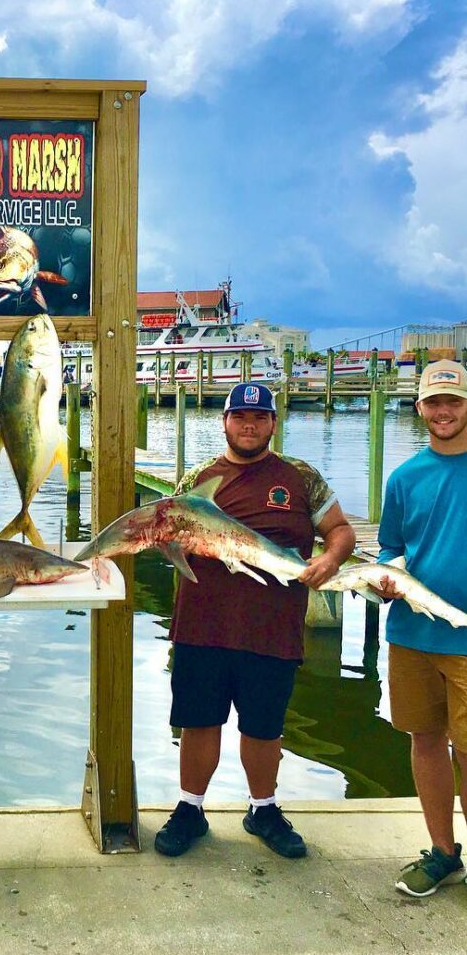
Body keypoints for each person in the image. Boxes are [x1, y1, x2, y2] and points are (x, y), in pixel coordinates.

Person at [152, 381, 355, 859]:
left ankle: (263, 809)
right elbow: (165, 535)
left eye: (259, 418)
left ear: (273, 424)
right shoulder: (199, 478)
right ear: (224, 421)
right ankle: (190, 808)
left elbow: (341, 530)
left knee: (264, 727)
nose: (249, 425)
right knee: (198, 721)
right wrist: (173, 544)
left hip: (272, 629)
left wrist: (331, 560)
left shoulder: (300, 477)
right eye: (240, 417)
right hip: (203, 625)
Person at [373, 360, 467, 897]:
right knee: (425, 740)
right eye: (434, 402)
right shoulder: (404, 477)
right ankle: (442, 853)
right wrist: (385, 577)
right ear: (419, 407)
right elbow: (391, 546)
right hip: (411, 633)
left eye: (454, 401)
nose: (443, 411)